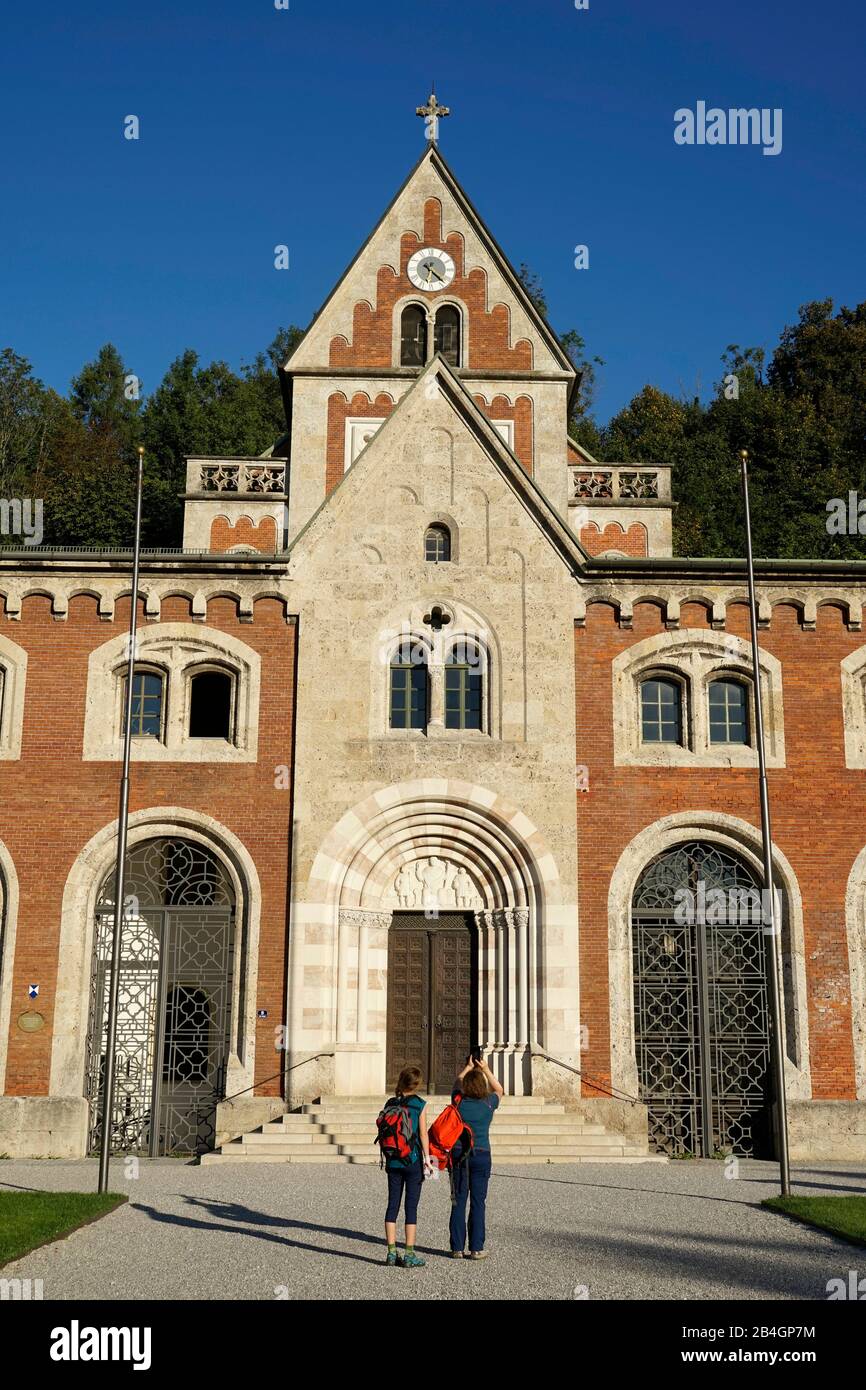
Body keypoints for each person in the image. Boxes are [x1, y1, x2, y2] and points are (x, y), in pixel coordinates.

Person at [449, 1053, 503, 1260]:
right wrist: (486, 1069)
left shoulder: (458, 1102)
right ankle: (477, 1248)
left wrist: (467, 1067)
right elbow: (499, 1089)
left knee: (458, 1201)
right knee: (478, 1202)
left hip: (459, 1156)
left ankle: (457, 1248)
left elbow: (456, 1083)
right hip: (481, 1155)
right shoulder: (489, 1103)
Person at [383, 1065, 431, 1268]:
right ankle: (409, 1254)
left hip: (393, 1160)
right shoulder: (420, 1104)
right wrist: (427, 1159)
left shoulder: (390, 1103)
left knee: (392, 1205)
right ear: (417, 1085)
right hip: (411, 1161)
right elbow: (422, 1134)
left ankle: (391, 1253)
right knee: (411, 1207)